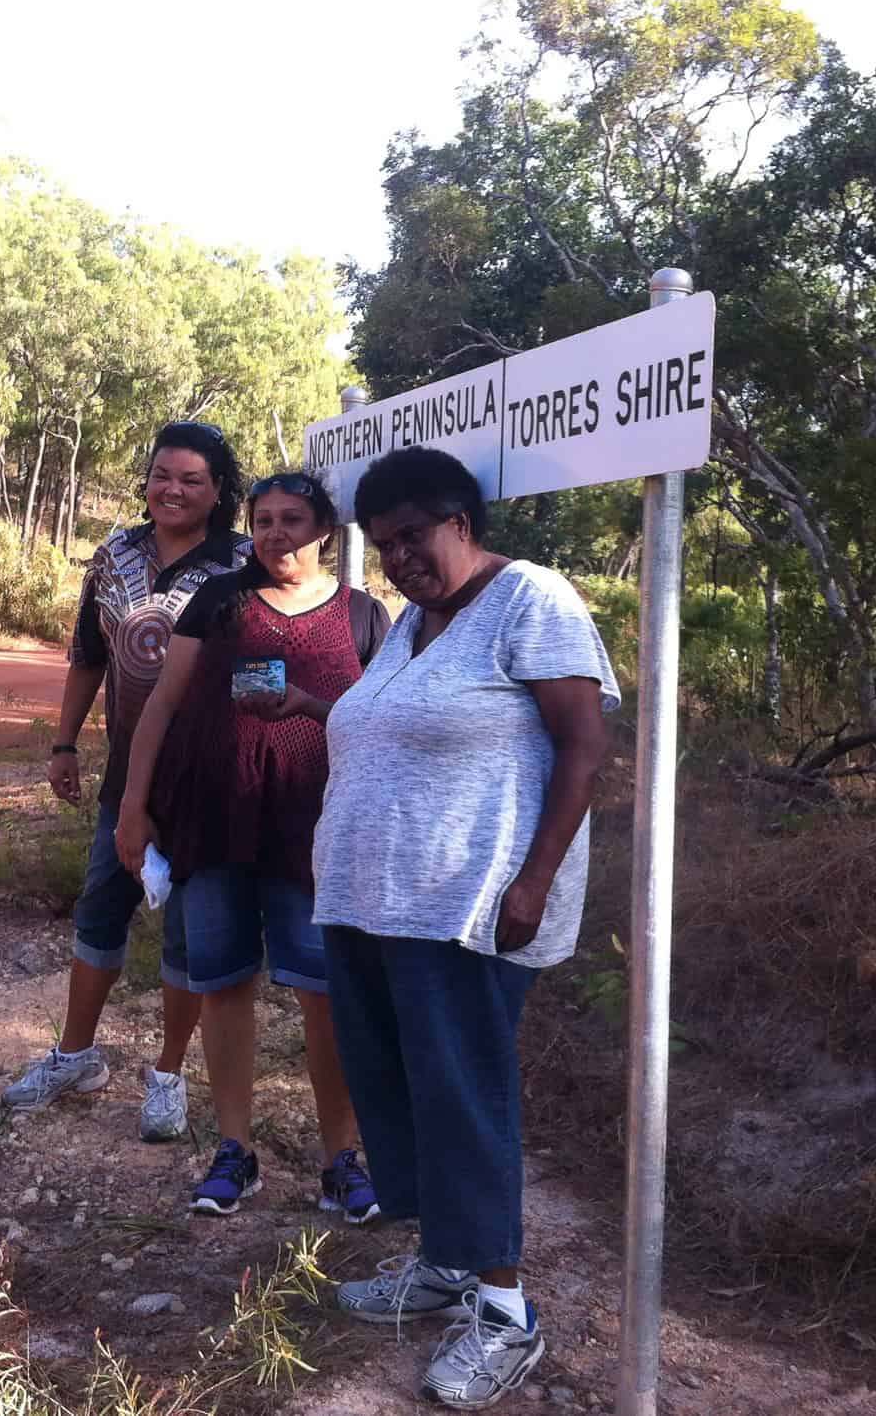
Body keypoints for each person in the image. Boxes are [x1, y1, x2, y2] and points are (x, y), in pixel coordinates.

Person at [310, 447, 616, 1410]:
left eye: (414, 537)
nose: (400, 559)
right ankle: (445, 1267)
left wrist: (535, 881)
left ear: (461, 522)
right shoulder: (413, 624)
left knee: (462, 1099)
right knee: (397, 1090)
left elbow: (584, 746)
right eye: (383, 545)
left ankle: (505, 1312)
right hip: (373, 903)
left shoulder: (531, 598)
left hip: (465, 907)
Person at [113, 471, 390, 1223]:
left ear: (324, 529)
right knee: (224, 983)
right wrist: (133, 805)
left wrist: (310, 707)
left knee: (324, 991)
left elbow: (381, 722)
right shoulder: (219, 600)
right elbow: (162, 704)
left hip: (317, 831)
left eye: (292, 520)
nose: (275, 534)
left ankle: (342, 1160)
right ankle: (234, 1151)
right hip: (216, 820)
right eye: (263, 520)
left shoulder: (364, 615)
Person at [1, 422, 252, 1142]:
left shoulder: (242, 564)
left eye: (192, 480)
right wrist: (63, 744)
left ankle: (168, 1076)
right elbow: (88, 655)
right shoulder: (114, 556)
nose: (172, 490)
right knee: (100, 909)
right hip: (126, 780)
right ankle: (74, 1056)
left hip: (207, 787)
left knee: (185, 933)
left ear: (218, 491)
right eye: (161, 475)